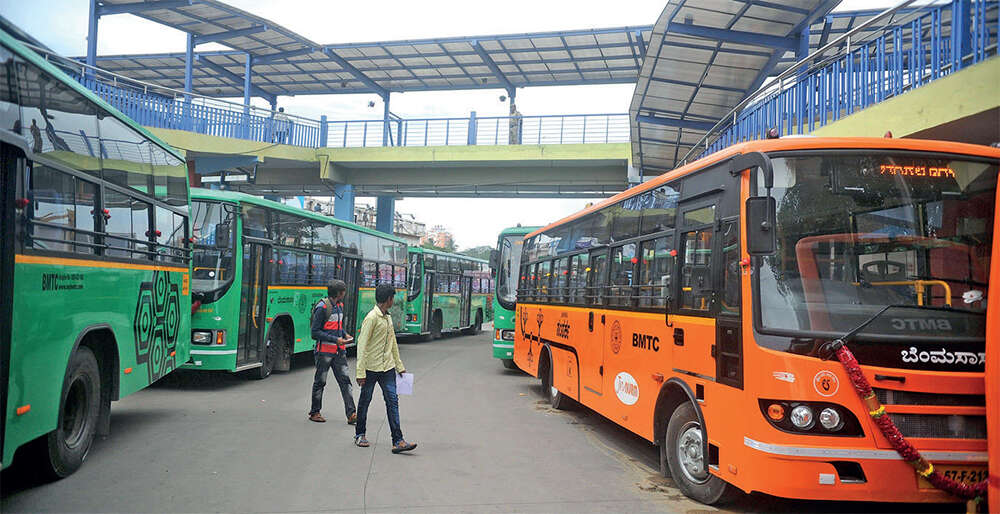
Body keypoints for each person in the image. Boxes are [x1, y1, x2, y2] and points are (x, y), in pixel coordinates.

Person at [353, 284, 416, 453]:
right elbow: (362, 345)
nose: (393, 301)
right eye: (392, 298)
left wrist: (399, 366)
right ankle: (360, 434)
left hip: (387, 368)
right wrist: (360, 372)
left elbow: (393, 343)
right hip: (371, 369)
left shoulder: (387, 318)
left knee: (392, 402)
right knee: (365, 401)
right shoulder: (371, 318)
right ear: (388, 299)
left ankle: (398, 440)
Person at [308, 279, 357, 424]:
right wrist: (336, 340)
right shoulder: (322, 308)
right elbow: (315, 333)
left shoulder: (339, 306)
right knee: (320, 382)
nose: (345, 294)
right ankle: (315, 412)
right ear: (340, 293)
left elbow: (336, 326)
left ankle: (351, 414)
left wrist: (344, 334)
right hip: (324, 353)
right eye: (344, 292)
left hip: (339, 352)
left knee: (345, 382)